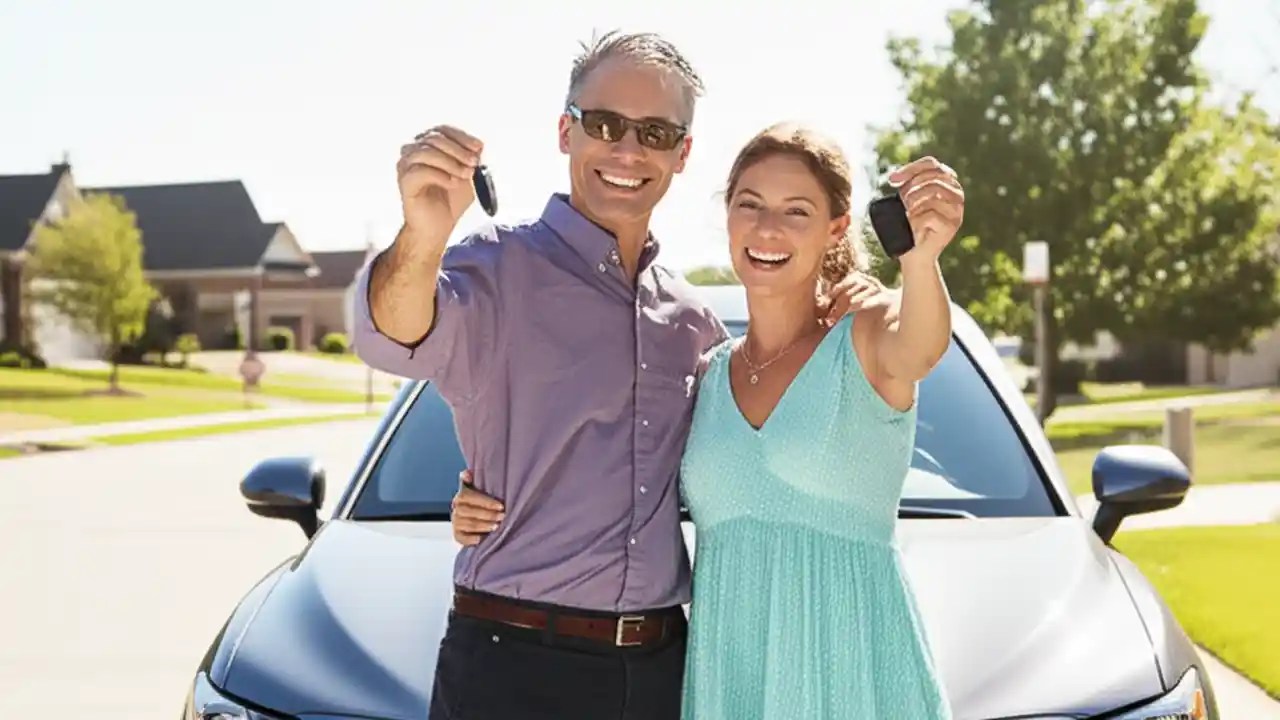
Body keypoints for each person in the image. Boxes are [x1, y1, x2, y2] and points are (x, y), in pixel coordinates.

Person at [351, 31, 898, 720]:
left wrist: (863, 304)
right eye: (605, 124)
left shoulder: (696, 324)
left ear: (682, 153)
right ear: (565, 131)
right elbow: (396, 332)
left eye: (656, 131)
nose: (628, 151)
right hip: (512, 663)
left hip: (663, 670)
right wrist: (424, 234)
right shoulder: (494, 270)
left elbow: (756, 458)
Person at [452, 123, 963, 718]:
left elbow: (921, 348)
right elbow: (618, 468)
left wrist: (921, 260)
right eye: (750, 205)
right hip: (729, 680)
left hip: (849, 674)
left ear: (835, 229)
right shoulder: (709, 370)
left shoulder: (868, 335)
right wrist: (488, 491)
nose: (767, 228)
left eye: (796, 212)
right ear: (728, 216)